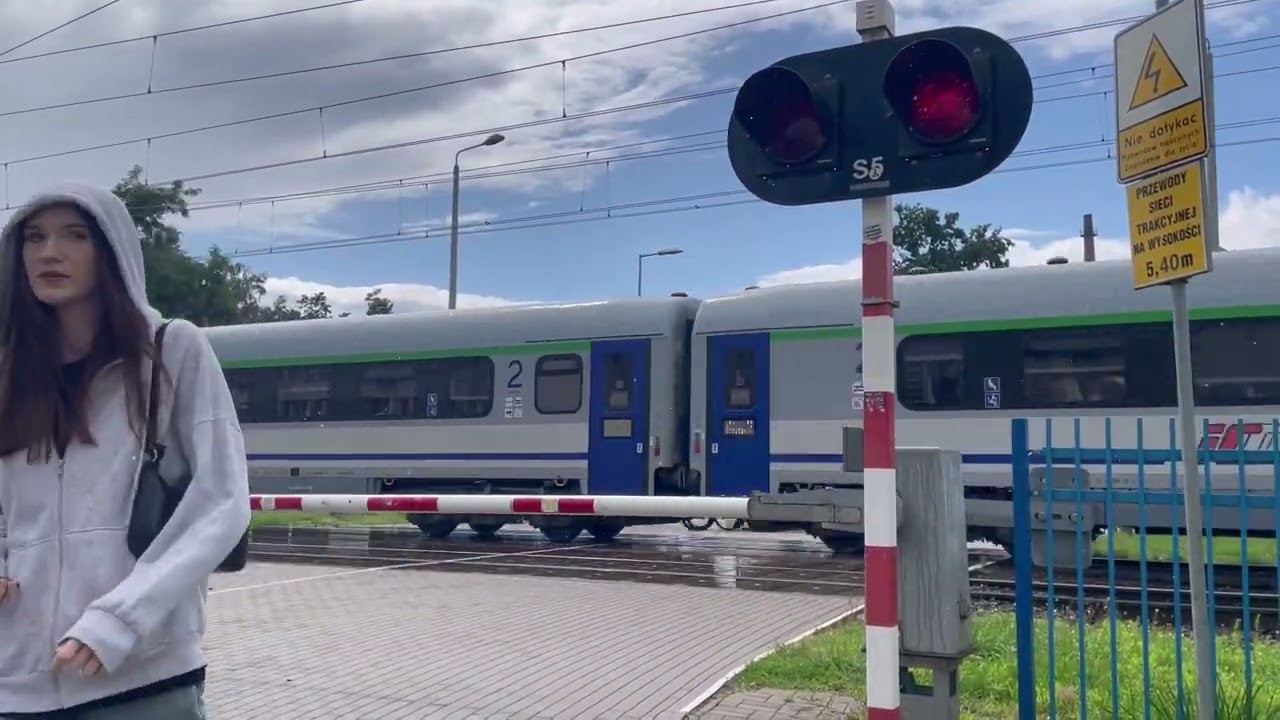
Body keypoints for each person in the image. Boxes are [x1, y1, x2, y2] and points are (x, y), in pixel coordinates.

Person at [0, 182, 251, 719]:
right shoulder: (11, 375)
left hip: (142, 676)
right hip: (19, 682)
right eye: (35, 238)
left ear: (112, 250)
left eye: (76, 235)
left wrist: (120, 620)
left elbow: (220, 499)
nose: (49, 252)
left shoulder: (171, 350)